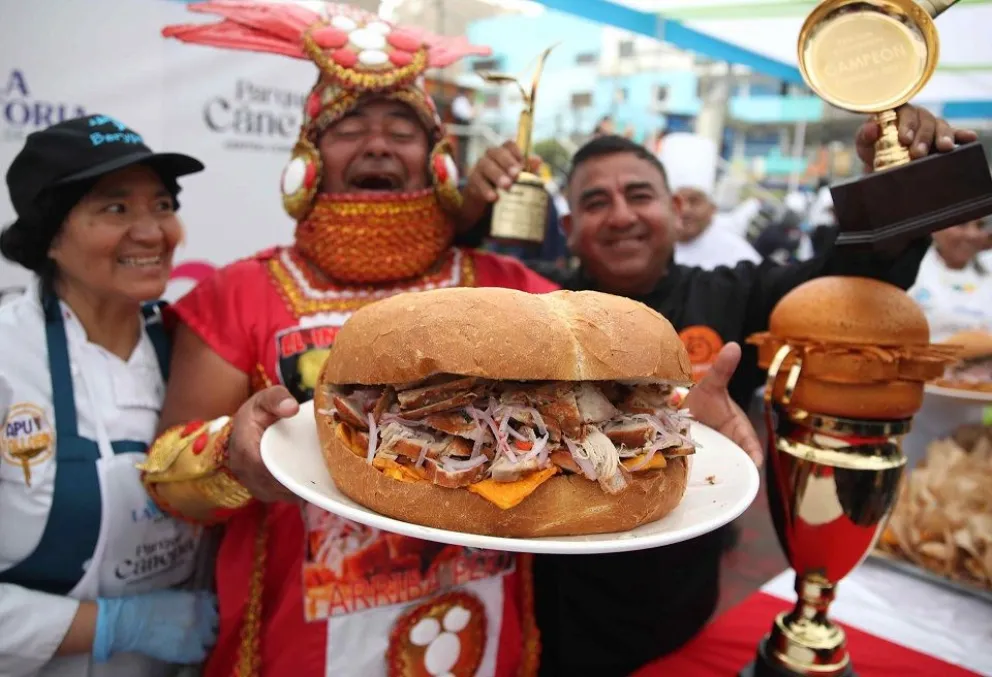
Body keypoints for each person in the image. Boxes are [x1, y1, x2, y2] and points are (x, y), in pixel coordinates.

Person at [138, 5, 760, 676]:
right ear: (309, 157)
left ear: (436, 158)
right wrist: (231, 458)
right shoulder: (239, 293)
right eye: (348, 127)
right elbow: (165, 485)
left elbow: (604, 364)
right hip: (296, 644)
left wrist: (660, 422)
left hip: (489, 640)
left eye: (401, 129)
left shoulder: (509, 288)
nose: (377, 144)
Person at [525, 108, 976, 676]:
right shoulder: (535, 312)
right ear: (568, 229)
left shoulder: (733, 294)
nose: (620, 216)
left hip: (677, 587)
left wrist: (891, 179)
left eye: (639, 195)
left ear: (676, 210)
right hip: (549, 586)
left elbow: (855, 278)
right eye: (595, 203)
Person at [0, 115, 218, 676]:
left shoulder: (193, 351)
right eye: (115, 208)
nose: (151, 232)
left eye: (163, 205)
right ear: (51, 233)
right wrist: (115, 626)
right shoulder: (8, 358)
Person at [659, 133, 763, 270]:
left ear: (712, 209)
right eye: (676, 201)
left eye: (694, 201)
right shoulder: (646, 249)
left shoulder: (739, 258)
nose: (685, 210)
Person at [908, 217, 992, 341]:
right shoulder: (910, 268)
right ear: (936, 229)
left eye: (980, 226)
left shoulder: (989, 265)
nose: (973, 234)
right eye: (961, 224)